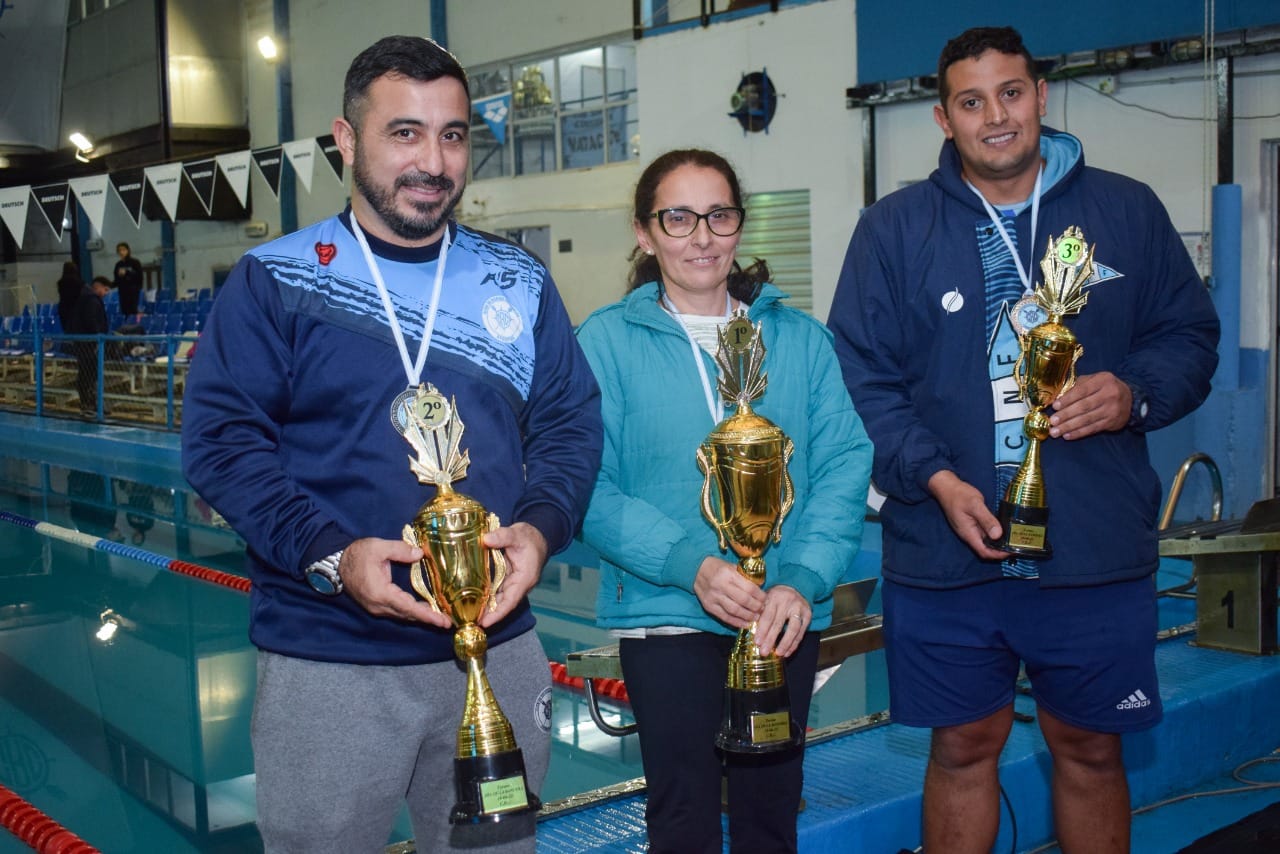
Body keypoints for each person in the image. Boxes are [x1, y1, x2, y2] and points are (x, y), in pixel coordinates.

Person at [181, 35, 602, 854]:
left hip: (501, 647)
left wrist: (541, 528)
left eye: (451, 136)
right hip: (329, 658)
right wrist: (334, 556)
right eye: (404, 133)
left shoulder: (515, 280)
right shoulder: (278, 280)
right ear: (346, 140)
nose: (433, 162)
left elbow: (569, 422)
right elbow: (224, 446)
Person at [828, 26, 1220, 854]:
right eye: (971, 102)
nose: (994, 116)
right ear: (943, 119)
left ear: (1042, 96)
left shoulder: (1127, 209)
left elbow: (1188, 336)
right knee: (963, 748)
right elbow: (862, 379)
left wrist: (1132, 393)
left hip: (1093, 547)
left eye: (1010, 93)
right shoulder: (893, 231)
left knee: (1090, 749)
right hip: (947, 548)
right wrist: (931, 477)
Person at [576, 149, 873, 853]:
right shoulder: (605, 343)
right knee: (683, 820)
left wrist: (801, 580)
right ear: (646, 232)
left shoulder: (799, 339)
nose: (701, 236)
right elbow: (587, 483)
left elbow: (844, 461)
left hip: (779, 616)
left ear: (739, 226)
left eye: (718, 215)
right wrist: (693, 566)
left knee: (771, 815)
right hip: (669, 613)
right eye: (677, 217)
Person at [67, 275, 111, 417]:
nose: (106, 294)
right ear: (98, 287)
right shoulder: (91, 300)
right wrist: (98, 335)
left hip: (83, 343)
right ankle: (90, 405)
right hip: (89, 343)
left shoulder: (83, 298)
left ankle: (90, 404)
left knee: (87, 375)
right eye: (105, 290)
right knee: (89, 376)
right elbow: (92, 321)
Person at [112, 242, 143, 316]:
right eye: (119, 250)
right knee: (124, 312)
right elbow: (116, 280)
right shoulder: (118, 265)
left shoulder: (135, 262)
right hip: (122, 292)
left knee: (133, 312)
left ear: (128, 250)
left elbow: (139, 276)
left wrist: (127, 272)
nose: (121, 252)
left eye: (123, 250)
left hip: (133, 292)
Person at [56, 259, 84, 330]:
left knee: (66, 327)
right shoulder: (79, 282)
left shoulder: (60, 282)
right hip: (75, 307)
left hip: (63, 307)